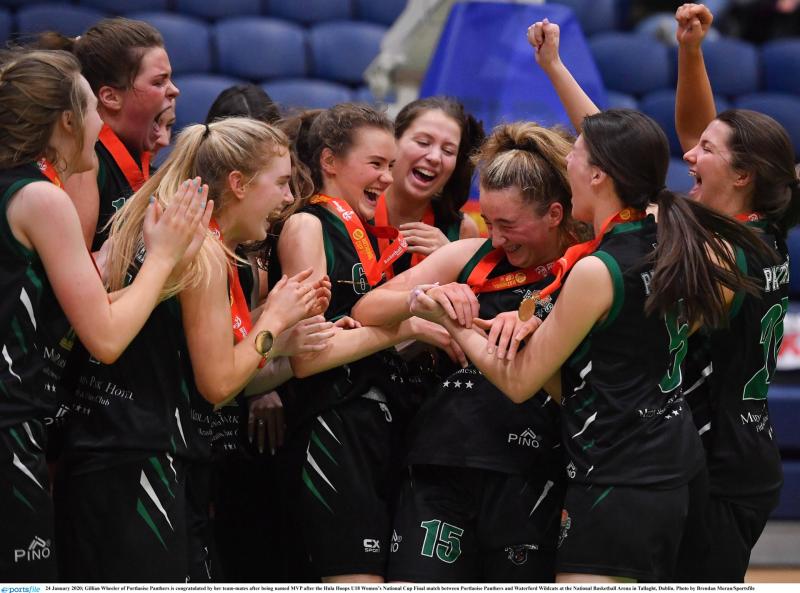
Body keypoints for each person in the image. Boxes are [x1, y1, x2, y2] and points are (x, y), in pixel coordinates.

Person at [408, 106, 776, 582]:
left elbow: (520, 382)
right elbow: (603, 369)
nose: (567, 166)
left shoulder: (595, 270)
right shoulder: (673, 240)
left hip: (618, 476)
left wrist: (452, 322)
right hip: (674, 468)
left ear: (598, 174)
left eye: (575, 155)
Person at [54, 117, 325, 582]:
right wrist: (275, 321)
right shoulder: (201, 254)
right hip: (141, 457)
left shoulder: (170, 227)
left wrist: (274, 332)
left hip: (118, 449)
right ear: (238, 184)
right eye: (281, 183)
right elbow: (218, 384)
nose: (287, 199)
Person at [0, 49, 205, 582]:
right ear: (67, 121)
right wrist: (162, 256)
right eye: (93, 108)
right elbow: (107, 339)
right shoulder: (43, 199)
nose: (100, 125)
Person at [352, 121, 585, 582]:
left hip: (534, 470)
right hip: (441, 461)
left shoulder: (586, 269)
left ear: (554, 215)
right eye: (489, 222)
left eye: (509, 225)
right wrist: (428, 299)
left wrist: (534, 322)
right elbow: (366, 308)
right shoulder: (468, 255)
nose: (497, 238)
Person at [271, 103, 462, 583]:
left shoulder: (374, 237)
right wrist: (408, 326)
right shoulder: (308, 226)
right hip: (332, 424)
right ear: (330, 162)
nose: (385, 178)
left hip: (382, 423)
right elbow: (309, 359)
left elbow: (363, 339)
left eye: (390, 167)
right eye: (376, 165)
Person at [672, 3, 800, 581]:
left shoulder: (720, 248)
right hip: (744, 447)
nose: (690, 155)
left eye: (707, 152)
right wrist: (692, 51)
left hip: (720, 458)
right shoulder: (765, 225)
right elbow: (696, 131)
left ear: (743, 175)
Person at [377, 97, 485, 278]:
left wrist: (450, 258)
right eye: (423, 142)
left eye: (448, 151)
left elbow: (475, 301)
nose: (435, 157)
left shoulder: (463, 230)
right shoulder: (355, 208)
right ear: (393, 141)